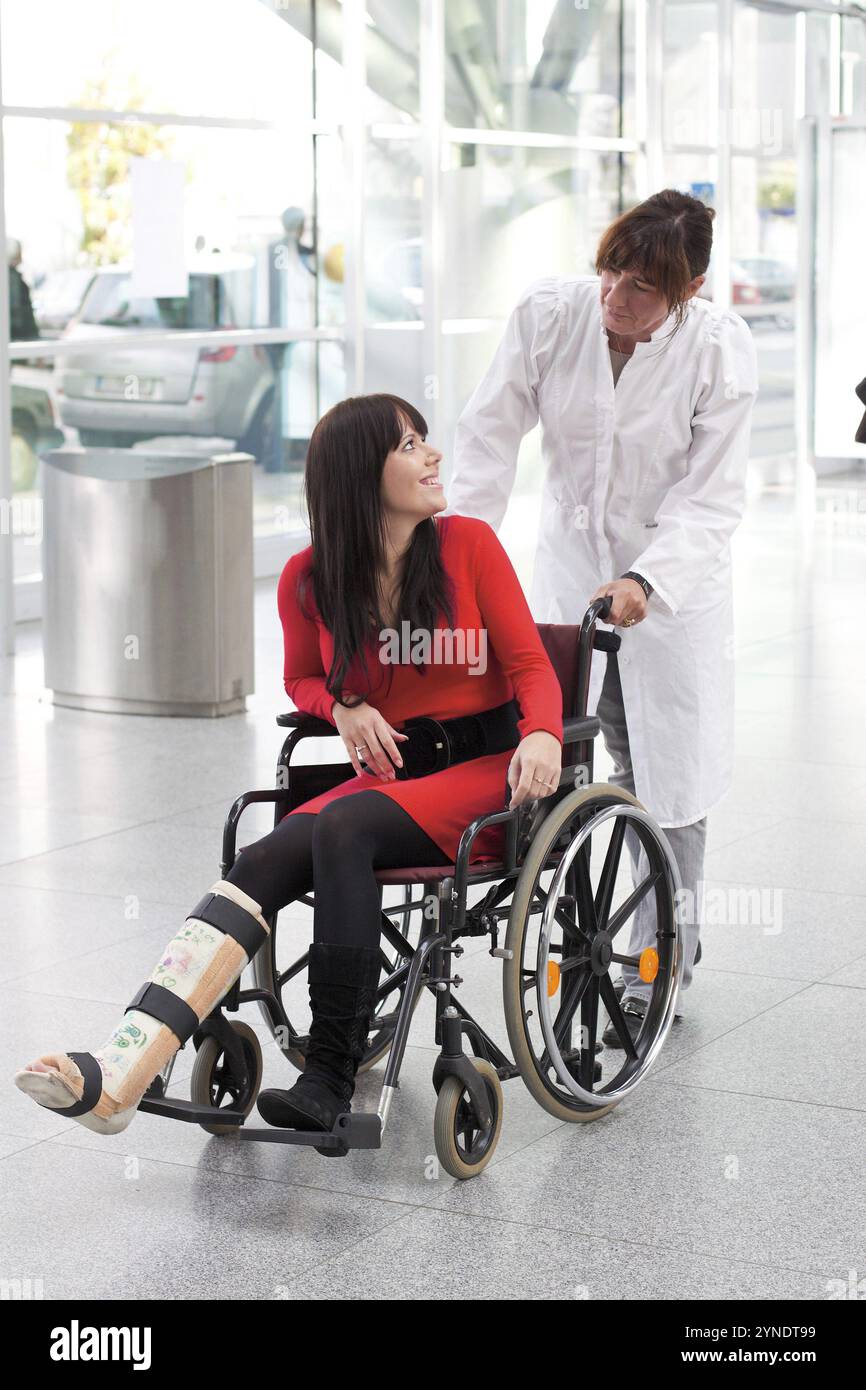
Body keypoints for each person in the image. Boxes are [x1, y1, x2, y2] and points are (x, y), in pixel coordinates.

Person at [14, 393, 564, 1142]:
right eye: (410, 445)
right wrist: (340, 707)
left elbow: (531, 663)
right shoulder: (308, 577)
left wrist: (544, 736)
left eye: (425, 442)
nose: (433, 457)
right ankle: (125, 1070)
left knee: (341, 823)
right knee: (260, 858)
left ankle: (330, 1075)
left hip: (482, 769)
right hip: (392, 783)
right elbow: (299, 678)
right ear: (358, 474)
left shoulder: (469, 546)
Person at [447, 189, 759, 1046]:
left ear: (688, 291)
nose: (616, 298)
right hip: (569, 576)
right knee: (563, 759)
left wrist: (646, 579)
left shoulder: (720, 353)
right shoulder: (551, 315)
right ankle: (579, 937)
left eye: (642, 290)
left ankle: (662, 962)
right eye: (612, 273)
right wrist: (453, 560)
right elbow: (484, 438)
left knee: (670, 782)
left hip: (671, 594)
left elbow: (713, 498)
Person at [7, 238, 39, 342]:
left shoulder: (12, 277)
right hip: (18, 337)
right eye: (19, 253)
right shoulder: (11, 279)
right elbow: (18, 311)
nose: (21, 258)